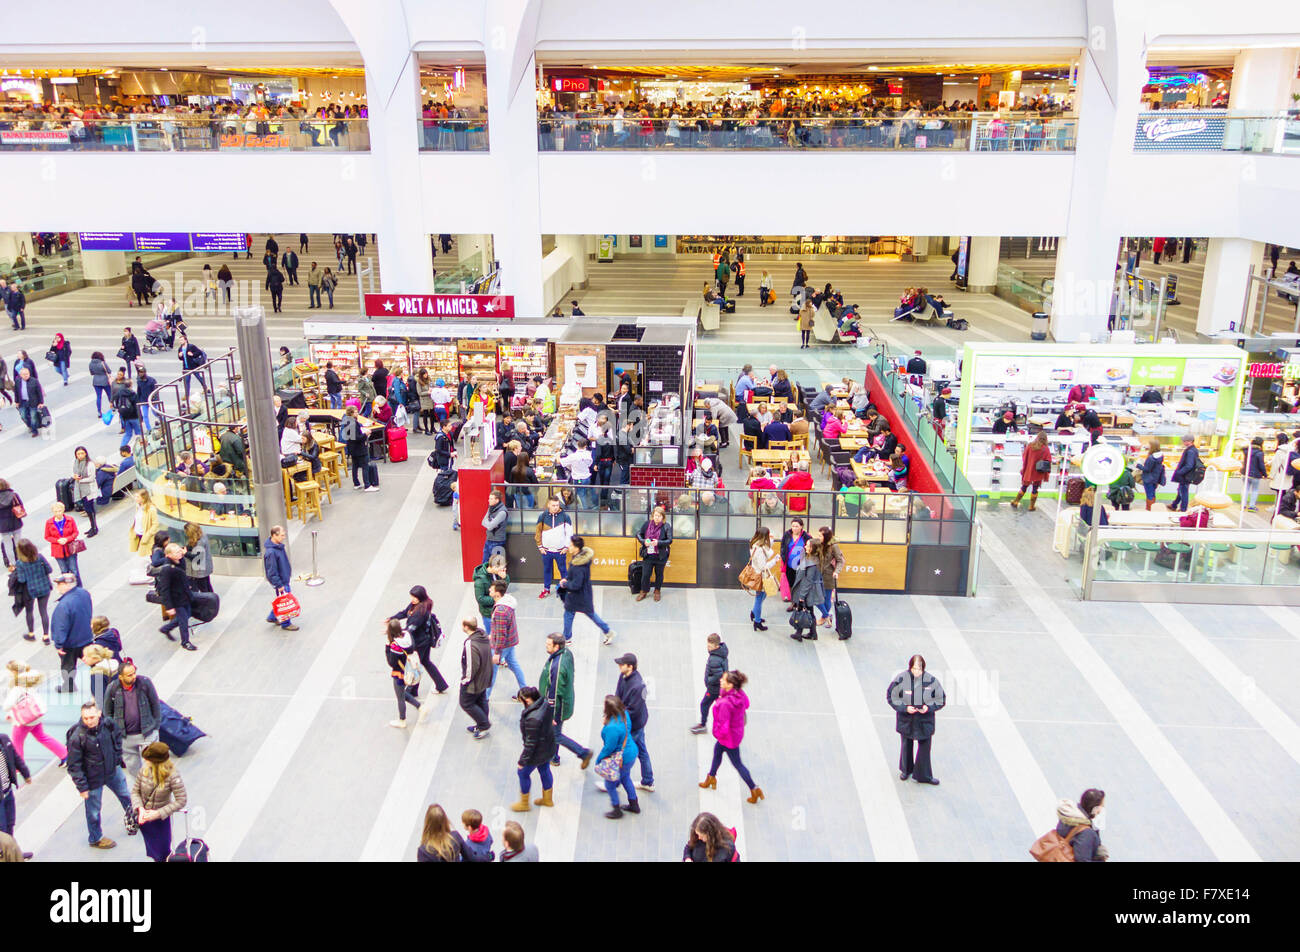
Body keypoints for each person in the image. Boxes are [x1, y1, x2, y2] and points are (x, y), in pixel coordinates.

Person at [66, 701, 137, 849]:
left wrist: (117, 759)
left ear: (99, 714)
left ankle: (135, 819)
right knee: (93, 811)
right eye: (85, 718)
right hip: (92, 779)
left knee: (126, 795)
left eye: (92, 717)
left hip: (112, 771)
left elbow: (117, 738)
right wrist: (82, 787)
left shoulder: (108, 724)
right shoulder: (77, 737)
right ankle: (95, 837)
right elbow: (74, 765)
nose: (89, 721)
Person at [699, 671, 763, 803]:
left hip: (728, 738)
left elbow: (723, 726)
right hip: (735, 734)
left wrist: (716, 733)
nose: (721, 680)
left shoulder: (725, 704)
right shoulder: (739, 694)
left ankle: (754, 788)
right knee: (717, 753)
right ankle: (711, 777)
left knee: (737, 764)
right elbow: (747, 703)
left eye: (724, 680)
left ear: (730, 685)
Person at [888, 654, 946, 785]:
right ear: (910, 667)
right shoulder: (901, 679)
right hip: (906, 720)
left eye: (919, 669)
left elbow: (941, 699)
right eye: (914, 668)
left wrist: (928, 708)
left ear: (923, 669)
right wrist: (905, 708)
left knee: (925, 748)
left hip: (924, 721)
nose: (916, 672)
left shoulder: (931, 681)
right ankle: (906, 770)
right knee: (906, 745)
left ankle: (923, 775)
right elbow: (891, 697)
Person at [540, 632, 593, 769]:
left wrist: (550, 713)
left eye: (548, 644)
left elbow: (553, 693)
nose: (546, 646)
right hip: (565, 699)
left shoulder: (557, 667)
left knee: (556, 734)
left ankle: (583, 753)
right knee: (554, 731)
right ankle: (554, 757)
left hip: (558, 706)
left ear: (557, 646)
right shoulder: (566, 653)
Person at [103, 661, 162, 778]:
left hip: (147, 733)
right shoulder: (113, 688)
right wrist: (115, 732)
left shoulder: (145, 683)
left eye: (134, 673)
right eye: (129, 675)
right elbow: (107, 712)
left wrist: (155, 726)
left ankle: (156, 792)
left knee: (154, 767)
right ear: (121, 677)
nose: (133, 676)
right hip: (126, 738)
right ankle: (142, 792)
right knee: (134, 770)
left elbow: (155, 704)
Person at [131, 741, 187, 862]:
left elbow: (181, 800)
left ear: (157, 762)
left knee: (162, 851)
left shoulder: (172, 776)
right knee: (153, 851)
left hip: (160, 820)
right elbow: (135, 792)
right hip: (144, 818)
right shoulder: (144, 770)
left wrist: (158, 813)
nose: (145, 762)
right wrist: (140, 809)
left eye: (148, 760)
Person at [390, 584, 450, 695]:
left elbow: (411, 628)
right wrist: (392, 618)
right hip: (424, 640)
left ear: (420, 597)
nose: (412, 599)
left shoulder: (420, 611)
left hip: (420, 642)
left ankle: (412, 690)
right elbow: (404, 612)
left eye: (414, 597)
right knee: (425, 662)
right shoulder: (416, 605)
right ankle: (440, 684)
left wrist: (396, 633)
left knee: (416, 664)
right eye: (411, 596)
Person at [3, 661, 66, 765]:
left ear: (14, 672)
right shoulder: (30, 682)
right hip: (35, 716)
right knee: (42, 736)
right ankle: (64, 754)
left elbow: (7, 706)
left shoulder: (17, 688)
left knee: (17, 743)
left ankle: (19, 766)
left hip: (24, 721)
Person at [558, 535, 615, 645]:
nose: (569, 547)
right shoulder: (580, 559)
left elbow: (576, 585)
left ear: (576, 548)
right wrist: (567, 579)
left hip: (578, 596)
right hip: (584, 595)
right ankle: (608, 631)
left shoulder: (579, 566)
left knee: (570, 614)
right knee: (587, 614)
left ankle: (567, 638)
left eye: (571, 545)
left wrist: (565, 583)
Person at [510, 686, 558, 813]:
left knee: (523, 773)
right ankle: (548, 799)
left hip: (537, 752)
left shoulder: (532, 718)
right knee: (545, 769)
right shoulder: (545, 703)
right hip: (548, 746)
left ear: (528, 700)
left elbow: (530, 744)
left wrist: (522, 761)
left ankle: (524, 803)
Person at [488, 581, 527, 700]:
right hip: (510, 642)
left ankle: (485, 697)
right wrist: (492, 634)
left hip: (503, 645)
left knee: (491, 671)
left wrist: (497, 653)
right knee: (514, 665)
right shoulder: (508, 602)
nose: (489, 589)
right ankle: (525, 694)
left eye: (492, 588)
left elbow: (501, 634)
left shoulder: (500, 611)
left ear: (497, 593)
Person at [156, 543, 197, 650]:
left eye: (180, 550)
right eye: (177, 552)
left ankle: (166, 628)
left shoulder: (181, 561)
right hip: (177, 599)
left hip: (185, 595)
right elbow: (165, 589)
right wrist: (169, 607)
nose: (180, 553)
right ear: (169, 555)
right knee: (184, 620)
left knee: (186, 615)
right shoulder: (167, 569)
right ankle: (185, 642)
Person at [458, 616, 493, 739]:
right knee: (481, 699)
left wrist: (465, 681)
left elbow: (471, 665)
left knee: (466, 703)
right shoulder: (483, 636)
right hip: (485, 676)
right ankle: (481, 723)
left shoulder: (470, 643)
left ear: (466, 627)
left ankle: (484, 725)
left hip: (474, 680)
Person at [384, 618, 422, 728]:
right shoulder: (408, 635)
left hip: (400, 672)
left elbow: (391, 662)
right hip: (410, 668)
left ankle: (402, 720)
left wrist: (387, 648)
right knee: (402, 693)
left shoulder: (395, 645)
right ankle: (419, 707)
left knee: (400, 696)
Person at [263, 525, 300, 631]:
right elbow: (271, 571)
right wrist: (279, 585)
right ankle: (286, 623)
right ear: (274, 535)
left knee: (282, 601)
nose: (284, 537)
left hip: (283, 579)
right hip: (281, 582)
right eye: (282, 535)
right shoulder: (271, 552)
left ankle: (273, 616)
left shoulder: (278, 547)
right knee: (285, 602)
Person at [535, 495, 572, 599]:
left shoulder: (565, 517)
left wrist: (566, 547)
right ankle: (546, 590)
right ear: (548, 505)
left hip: (560, 551)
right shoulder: (542, 516)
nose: (556, 507)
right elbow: (538, 532)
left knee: (563, 570)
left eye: (557, 505)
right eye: (553, 505)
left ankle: (564, 590)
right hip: (546, 551)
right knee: (547, 570)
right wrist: (540, 547)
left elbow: (569, 533)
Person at [1055, 789, 1108, 862]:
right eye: (1102, 807)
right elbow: (1082, 859)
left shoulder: (1069, 817)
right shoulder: (1087, 833)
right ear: (1095, 809)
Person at [634, 506, 673, 603]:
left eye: (659, 516)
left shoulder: (666, 526)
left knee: (659, 574)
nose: (657, 518)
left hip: (661, 555)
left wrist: (658, 542)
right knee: (646, 574)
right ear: (653, 516)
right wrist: (643, 541)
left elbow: (670, 540)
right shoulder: (647, 524)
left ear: (663, 517)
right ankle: (644, 591)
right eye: (655, 515)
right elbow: (638, 534)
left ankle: (657, 591)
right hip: (648, 554)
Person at [789, 538, 824, 642]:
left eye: (808, 546)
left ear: (813, 548)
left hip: (807, 591)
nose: (805, 547)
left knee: (803, 610)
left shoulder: (812, 563)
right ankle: (812, 633)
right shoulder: (811, 559)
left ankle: (799, 633)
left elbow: (808, 580)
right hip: (808, 590)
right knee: (809, 611)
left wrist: (802, 596)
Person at [0, 726, 31, 837]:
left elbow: (15, 757)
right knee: (1, 828)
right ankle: (3, 853)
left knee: (10, 823)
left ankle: (11, 851)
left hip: (7, 791)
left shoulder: (4, 739)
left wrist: (25, 773)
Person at [747, 527, 779, 631]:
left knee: (761, 596)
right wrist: (775, 560)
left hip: (757, 573)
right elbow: (763, 566)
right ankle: (757, 621)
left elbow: (766, 551)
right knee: (759, 598)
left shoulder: (754, 544)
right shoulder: (759, 550)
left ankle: (754, 613)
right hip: (759, 575)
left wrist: (772, 541)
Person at [45, 502, 83, 588]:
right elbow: (47, 536)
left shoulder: (70, 519)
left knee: (74, 570)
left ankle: (78, 587)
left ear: (63, 510)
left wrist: (67, 539)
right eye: (55, 511)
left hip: (70, 548)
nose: (58, 513)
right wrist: (57, 540)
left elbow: (75, 532)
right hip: (58, 550)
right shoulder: (49, 522)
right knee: (64, 571)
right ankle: (68, 588)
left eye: (59, 511)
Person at [1011, 432, 1052, 511]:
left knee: (1024, 487)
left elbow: (1024, 457)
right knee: (1035, 488)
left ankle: (1016, 501)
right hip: (1038, 472)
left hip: (1029, 470)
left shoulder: (1030, 446)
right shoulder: (1046, 449)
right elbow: (1048, 460)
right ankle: (1031, 506)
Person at [1170, 434, 1200, 512]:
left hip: (1185, 476)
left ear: (1189, 441)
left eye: (1184, 441)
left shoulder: (1190, 451)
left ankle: (1183, 510)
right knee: (1181, 490)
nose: (1183, 442)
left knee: (1183, 492)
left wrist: (1179, 472)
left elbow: (1189, 465)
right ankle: (1174, 505)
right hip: (1186, 475)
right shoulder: (1192, 449)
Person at [15, 367, 45, 438]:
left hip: (33, 402)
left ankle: (35, 431)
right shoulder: (18, 381)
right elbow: (16, 391)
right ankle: (30, 426)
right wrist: (16, 401)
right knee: (23, 416)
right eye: (24, 374)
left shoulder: (34, 381)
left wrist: (41, 402)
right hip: (22, 402)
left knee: (33, 417)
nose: (26, 375)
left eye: (27, 374)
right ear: (20, 375)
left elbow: (39, 392)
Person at [1140, 437, 1166, 511]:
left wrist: (1138, 465)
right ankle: (1152, 508)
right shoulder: (1160, 456)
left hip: (1148, 479)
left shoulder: (1151, 458)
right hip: (1155, 478)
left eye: (1149, 444)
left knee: (1149, 495)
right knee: (1152, 494)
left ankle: (1149, 509)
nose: (1147, 445)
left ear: (1152, 446)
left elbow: (1147, 469)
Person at [1243, 436, 1268, 513]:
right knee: (1255, 490)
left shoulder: (1246, 450)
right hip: (1255, 475)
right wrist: (1265, 474)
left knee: (1245, 489)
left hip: (1245, 473)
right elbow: (1261, 465)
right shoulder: (1259, 453)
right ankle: (1251, 506)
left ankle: (1242, 505)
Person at [89, 351, 112, 416]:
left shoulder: (91, 363)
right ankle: (112, 407)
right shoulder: (103, 363)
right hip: (105, 381)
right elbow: (109, 371)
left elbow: (91, 373)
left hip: (96, 381)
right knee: (109, 395)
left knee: (98, 397)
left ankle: (99, 411)